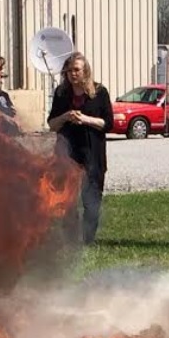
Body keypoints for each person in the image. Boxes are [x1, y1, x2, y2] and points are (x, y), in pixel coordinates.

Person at [48, 52, 114, 245]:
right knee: (67, 201)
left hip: (92, 155)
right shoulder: (61, 94)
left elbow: (108, 123)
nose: (72, 74)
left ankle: (88, 240)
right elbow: (52, 124)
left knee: (91, 201)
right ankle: (70, 239)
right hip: (67, 155)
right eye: (69, 71)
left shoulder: (99, 93)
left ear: (85, 71)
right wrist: (66, 116)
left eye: (76, 70)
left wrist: (85, 119)